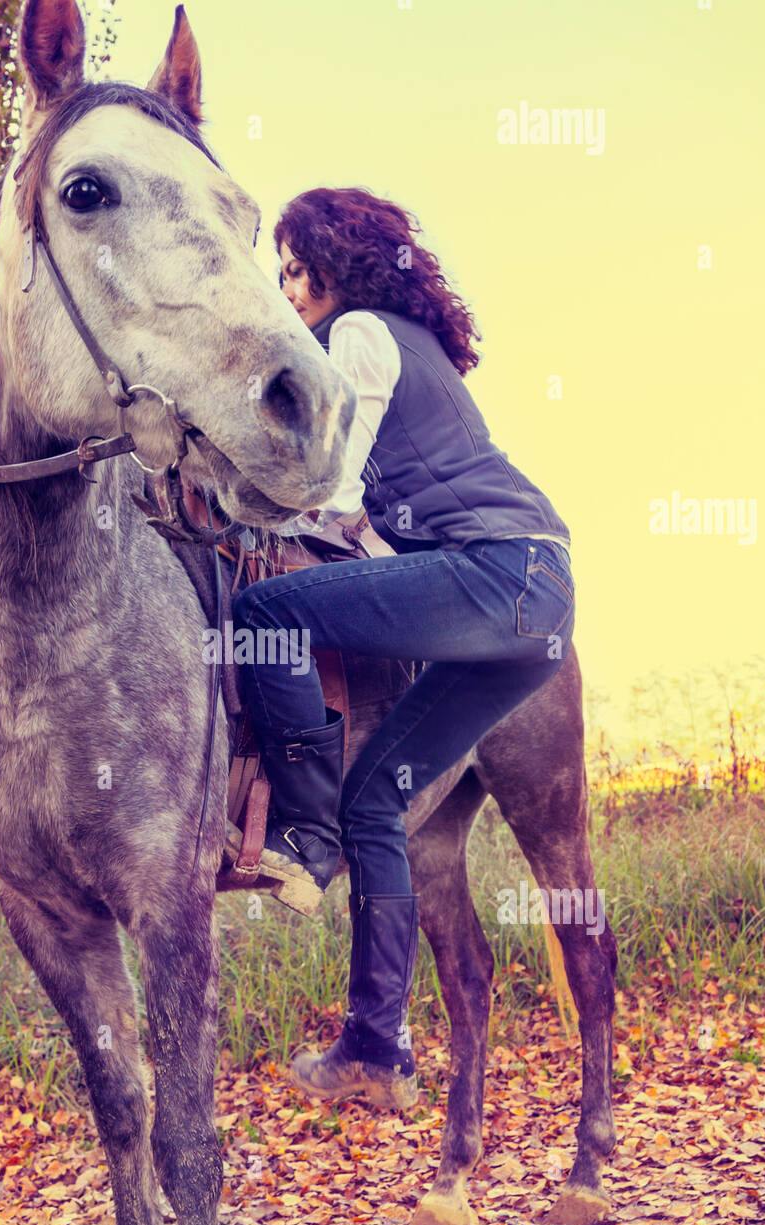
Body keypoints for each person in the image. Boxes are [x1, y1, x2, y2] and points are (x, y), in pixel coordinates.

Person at [226, 187, 576, 1108]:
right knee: (378, 797)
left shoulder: (360, 334)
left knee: (267, 616)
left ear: (337, 262)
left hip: (506, 576)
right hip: (531, 601)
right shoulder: (409, 345)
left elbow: (336, 488)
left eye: (297, 265)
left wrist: (242, 495)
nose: (288, 284)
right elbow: (381, 535)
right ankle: (377, 1048)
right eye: (282, 270)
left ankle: (304, 833)